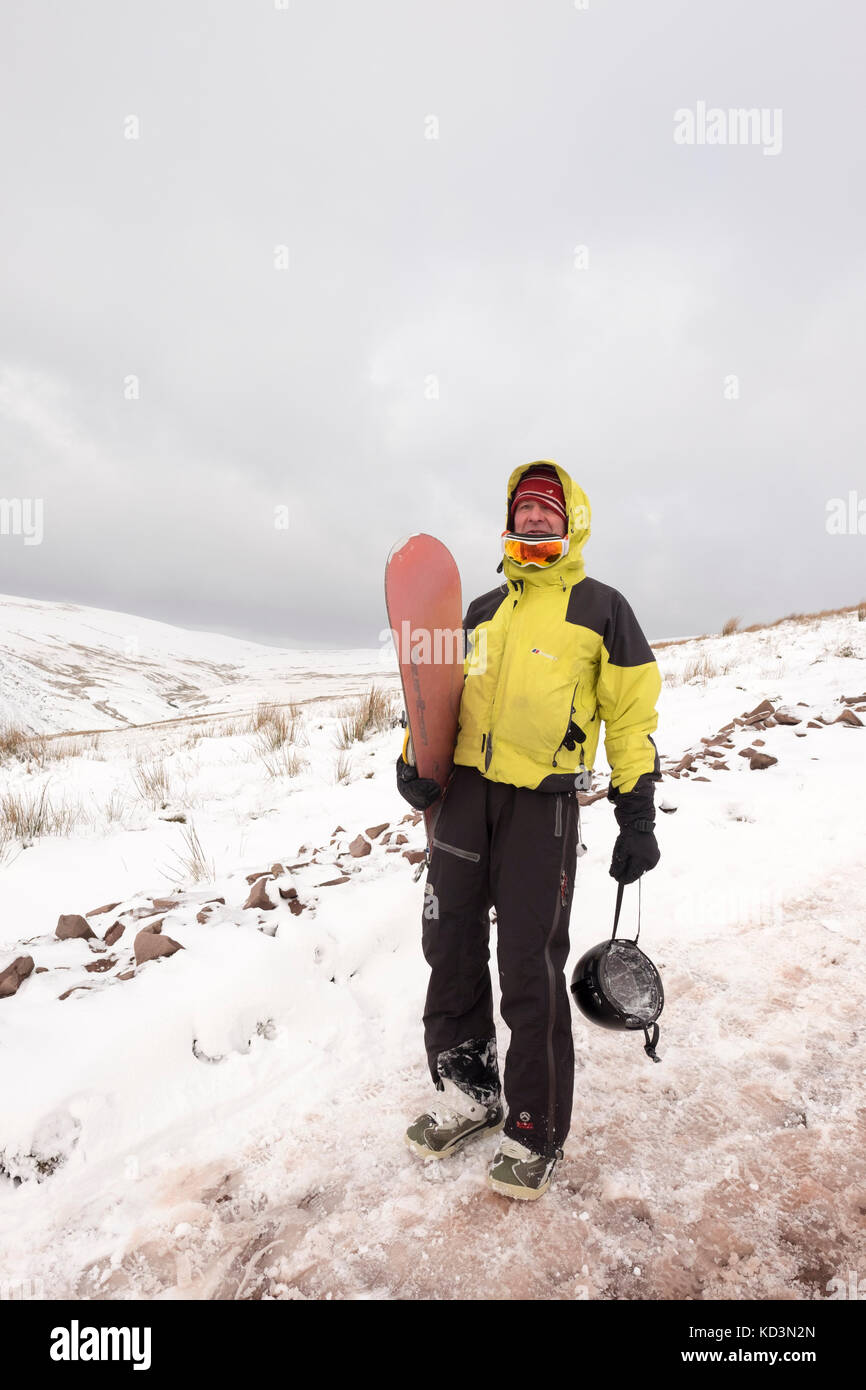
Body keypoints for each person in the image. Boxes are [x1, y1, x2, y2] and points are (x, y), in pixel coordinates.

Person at [396, 461, 662, 1200]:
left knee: (528, 962)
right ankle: (468, 1090)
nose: (535, 518)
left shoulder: (602, 608)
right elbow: (435, 702)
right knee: (446, 942)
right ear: (509, 521)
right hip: (463, 798)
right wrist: (412, 762)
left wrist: (635, 811)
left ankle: (535, 1128)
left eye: (548, 508)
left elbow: (632, 716)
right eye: (524, 508)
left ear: (570, 519)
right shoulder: (479, 610)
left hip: (540, 806)